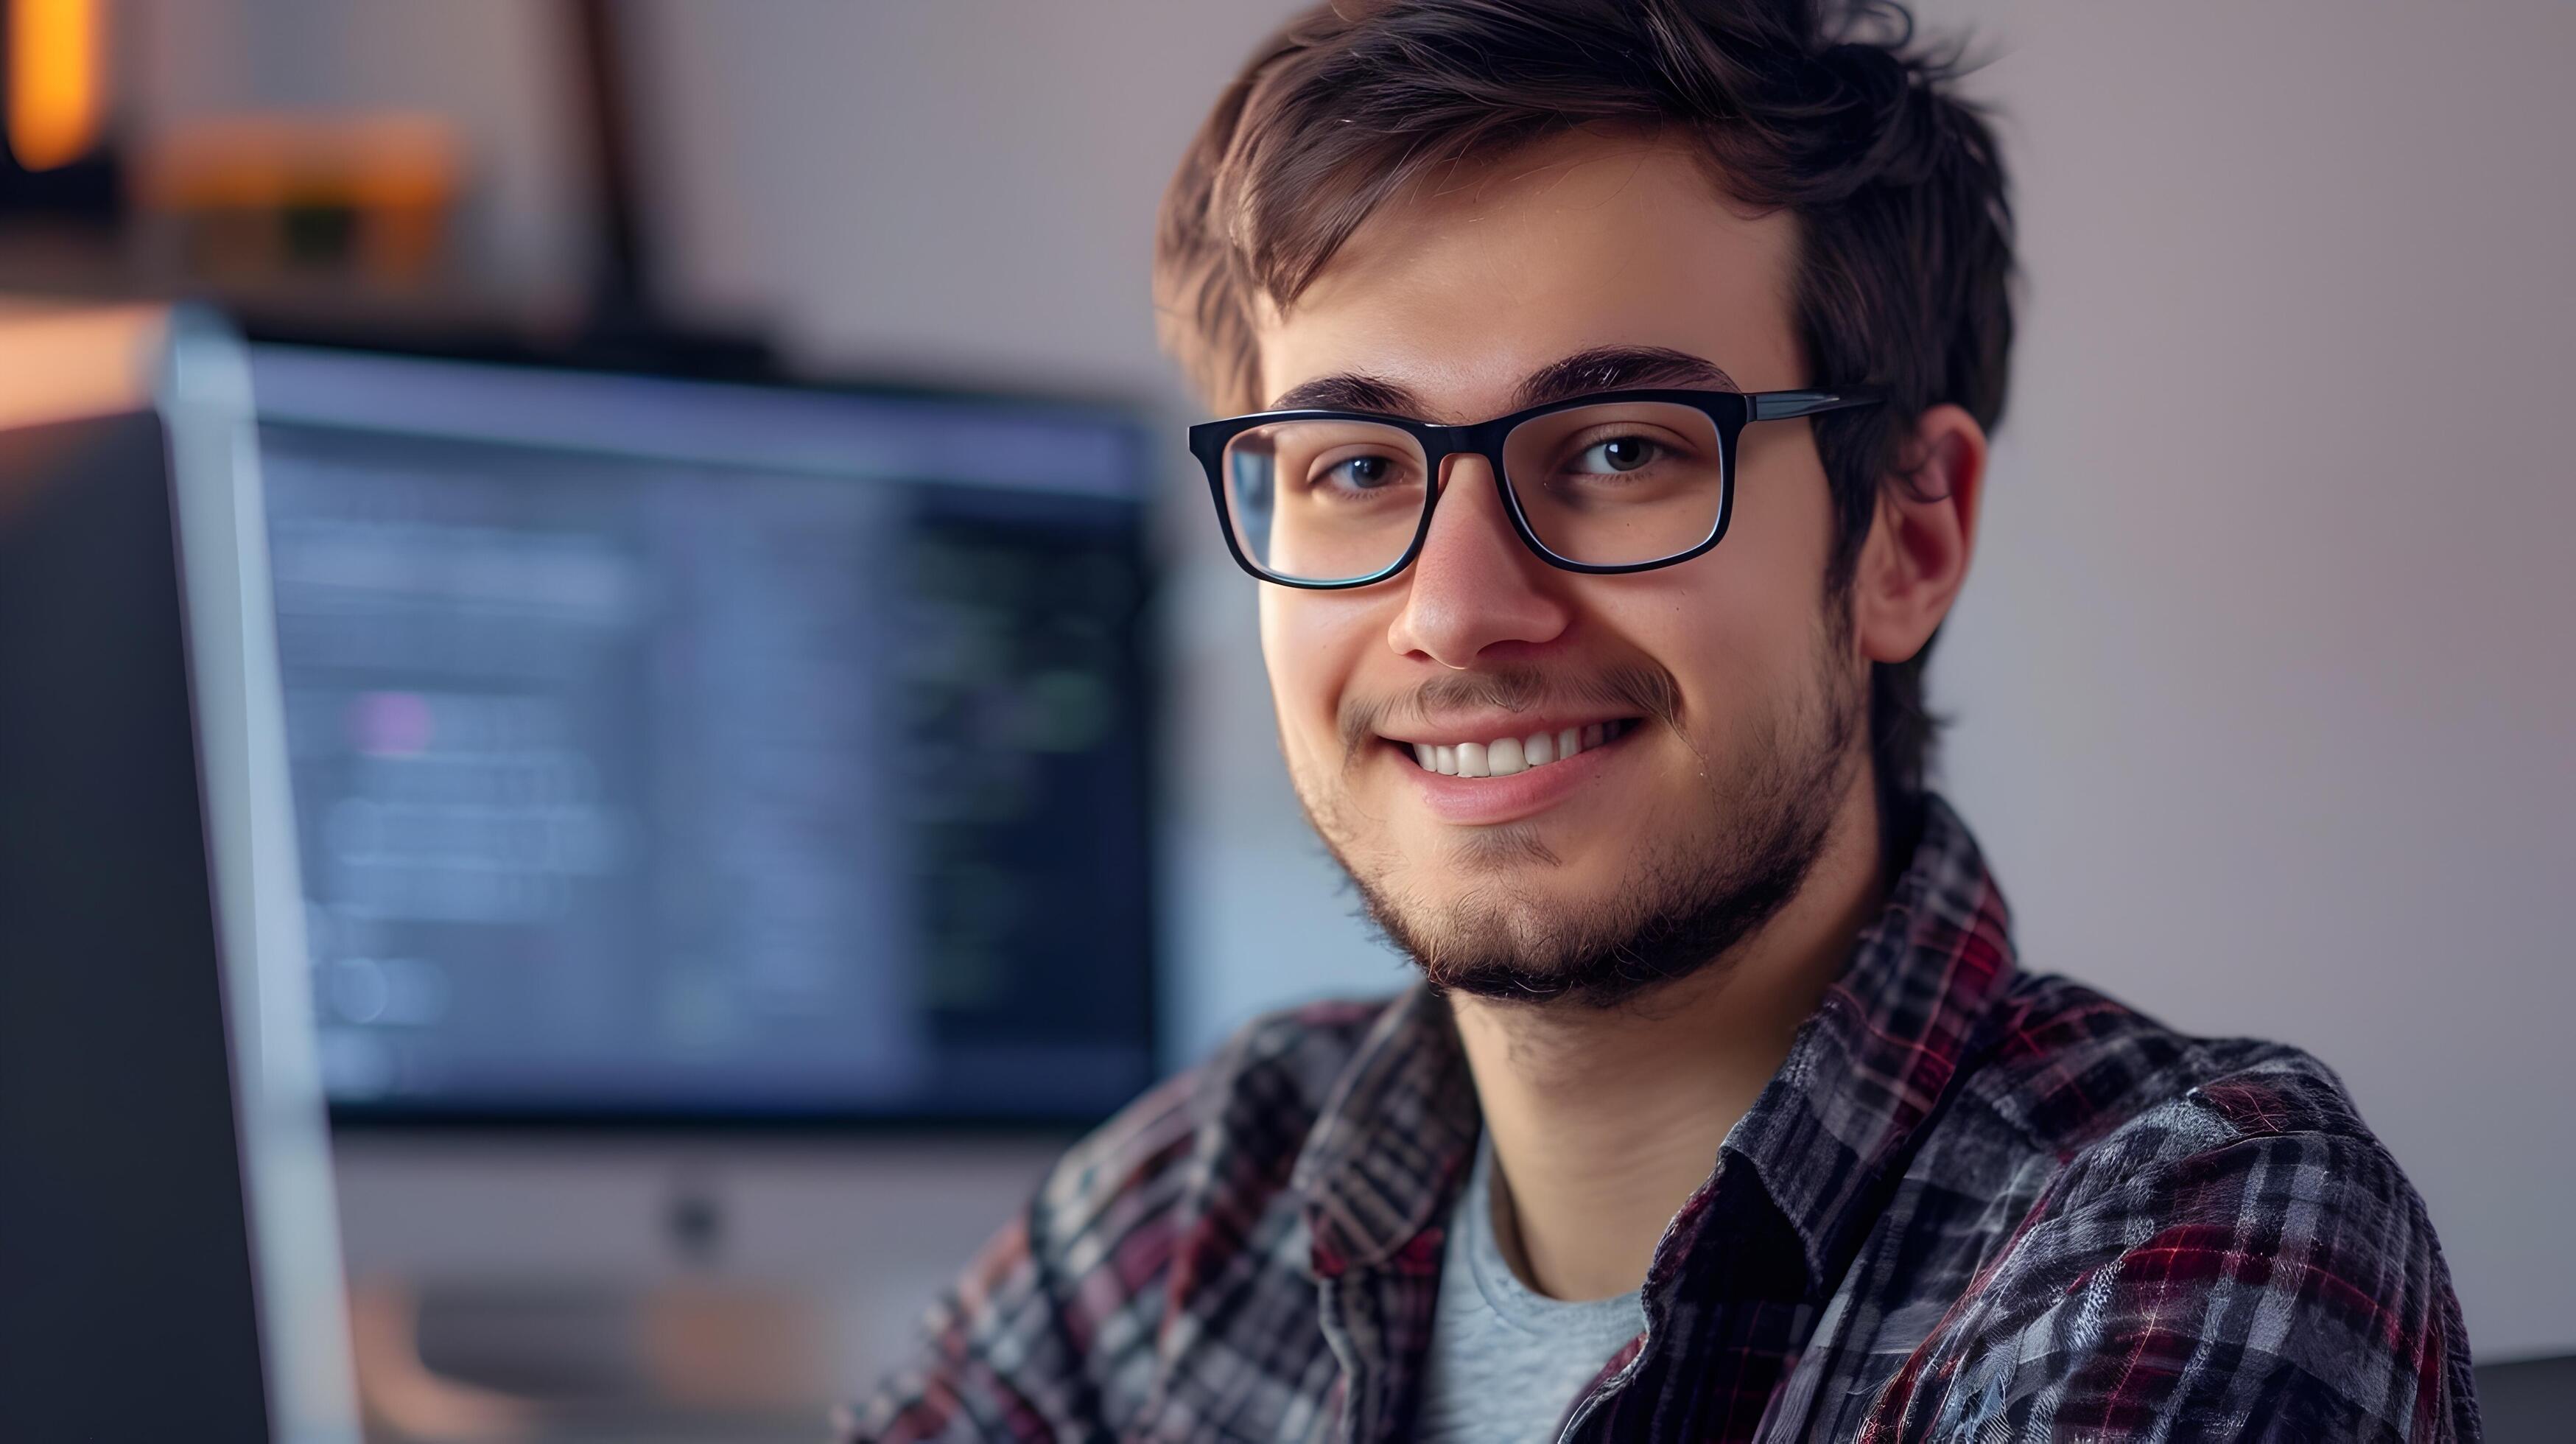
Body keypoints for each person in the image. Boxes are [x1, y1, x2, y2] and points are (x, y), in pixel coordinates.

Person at [843, 1, 2479, 1438]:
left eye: (1622, 448)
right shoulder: (1195, 1200)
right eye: (1355, 469)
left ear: (1910, 534)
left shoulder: (2197, 1226)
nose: (1460, 606)